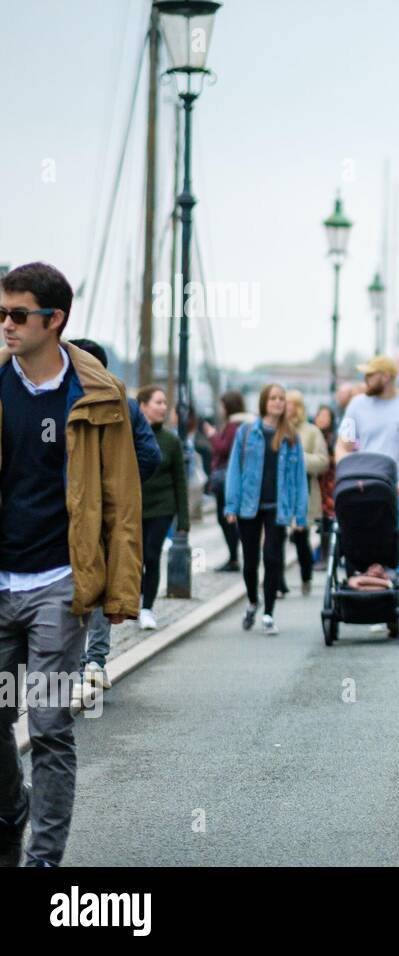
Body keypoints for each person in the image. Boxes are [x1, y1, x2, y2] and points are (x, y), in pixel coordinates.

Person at [0, 262, 143, 867]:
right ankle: (12, 808)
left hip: (60, 584)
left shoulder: (101, 396)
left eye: (17, 314)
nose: (6, 324)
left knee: (52, 726)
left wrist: (120, 593)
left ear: (54, 320)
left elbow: (122, 503)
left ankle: (43, 862)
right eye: (1, 312)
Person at [65, 339, 159, 705]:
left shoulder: (70, 398)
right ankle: (95, 662)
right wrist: (125, 484)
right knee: (104, 583)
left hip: (78, 509)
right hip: (113, 508)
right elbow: (148, 454)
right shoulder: (129, 405)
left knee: (80, 582)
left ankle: (74, 668)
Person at [223, 383, 308, 634]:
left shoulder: (291, 436)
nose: (278, 402)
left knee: (273, 559)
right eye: (273, 398)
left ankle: (269, 613)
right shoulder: (247, 432)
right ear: (264, 402)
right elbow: (234, 471)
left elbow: (299, 477)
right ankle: (252, 601)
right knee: (250, 562)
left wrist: (300, 514)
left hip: (277, 508)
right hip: (249, 506)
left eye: (281, 398)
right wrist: (231, 504)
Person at [335, 357, 399, 535]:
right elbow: (343, 446)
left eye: (370, 375)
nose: (365, 379)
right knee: (360, 551)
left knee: (396, 553)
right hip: (363, 489)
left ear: (387, 376)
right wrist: (348, 476)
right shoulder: (356, 404)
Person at [135, 386, 188, 631]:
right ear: (143, 406)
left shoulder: (171, 440)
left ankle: (147, 608)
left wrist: (184, 521)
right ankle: (135, 598)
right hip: (134, 507)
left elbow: (180, 481)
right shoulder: (130, 435)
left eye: (165, 403)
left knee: (151, 555)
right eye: (158, 402)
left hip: (162, 508)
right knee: (135, 559)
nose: (164, 407)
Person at [280, 390, 329, 596]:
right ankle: (278, 582)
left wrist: (298, 459)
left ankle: (306, 576)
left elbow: (322, 461)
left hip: (304, 493)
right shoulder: (276, 429)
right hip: (280, 493)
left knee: (301, 538)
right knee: (276, 538)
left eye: (289, 403)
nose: (285, 406)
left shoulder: (311, 431)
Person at [204, 391, 254, 573]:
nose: (220, 408)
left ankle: (234, 558)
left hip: (227, 479)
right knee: (230, 520)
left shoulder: (234, 425)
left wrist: (211, 435)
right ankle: (235, 556)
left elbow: (223, 448)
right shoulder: (245, 423)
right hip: (235, 478)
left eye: (222, 405)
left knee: (226, 519)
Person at [313, 404, 337, 570]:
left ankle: (327, 555)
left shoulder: (334, 437)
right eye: (320, 415)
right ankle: (321, 555)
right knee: (320, 520)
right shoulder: (314, 435)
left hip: (330, 483)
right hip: (317, 483)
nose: (322, 419)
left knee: (329, 518)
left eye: (325, 416)